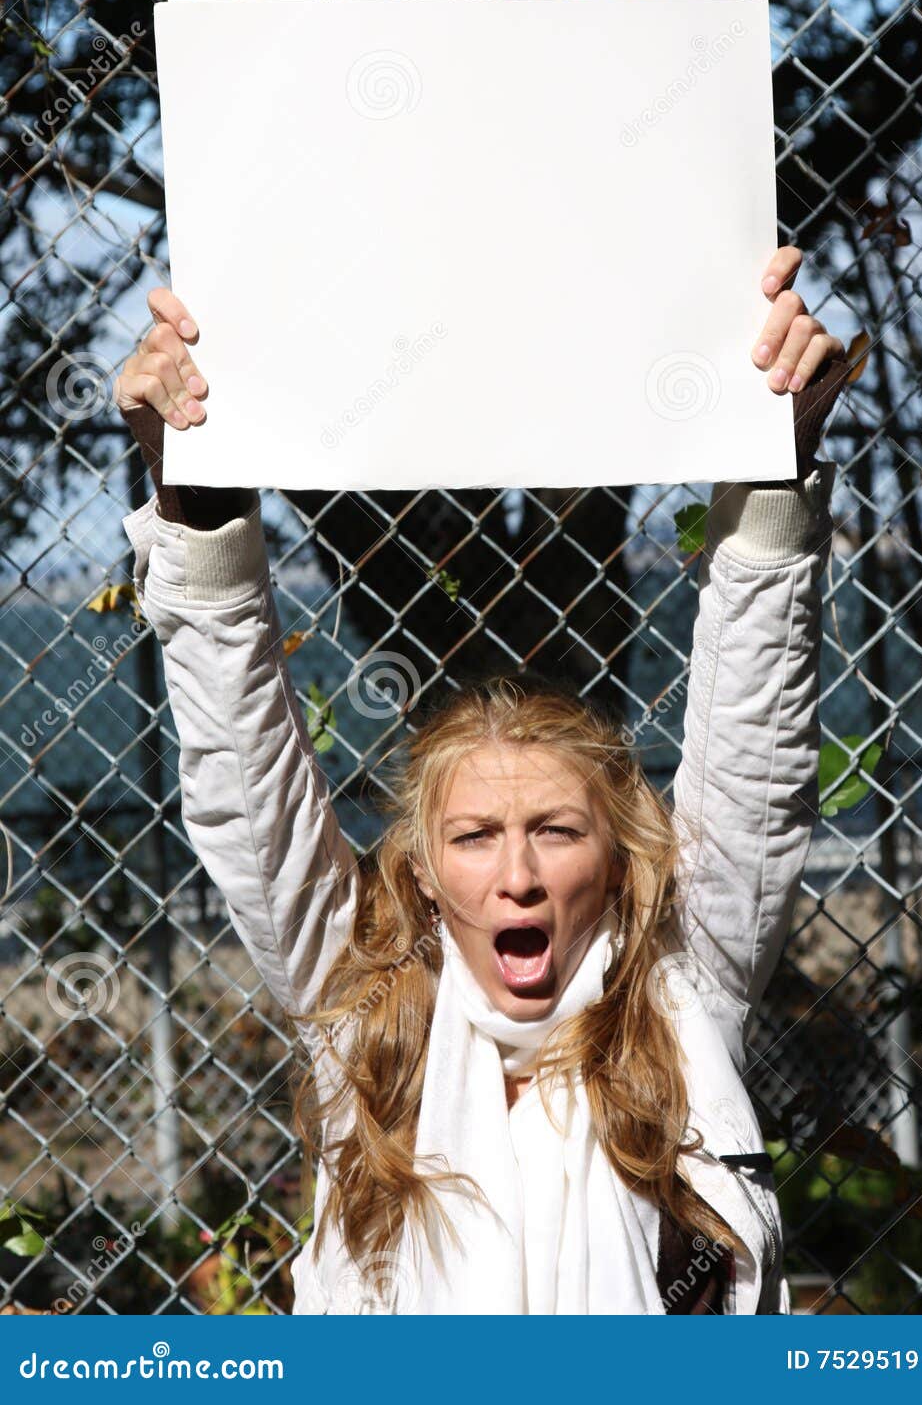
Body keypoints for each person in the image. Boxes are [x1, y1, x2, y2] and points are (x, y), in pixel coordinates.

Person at [114, 246, 854, 1315]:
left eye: (555, 830)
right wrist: (194, 502)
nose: (516, 875)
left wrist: (772, 470)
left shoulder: (682, 989)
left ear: (619, 857)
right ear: (417, 875)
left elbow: (755, 755)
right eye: (472, 837)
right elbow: (248, 794)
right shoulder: (362, 1011)